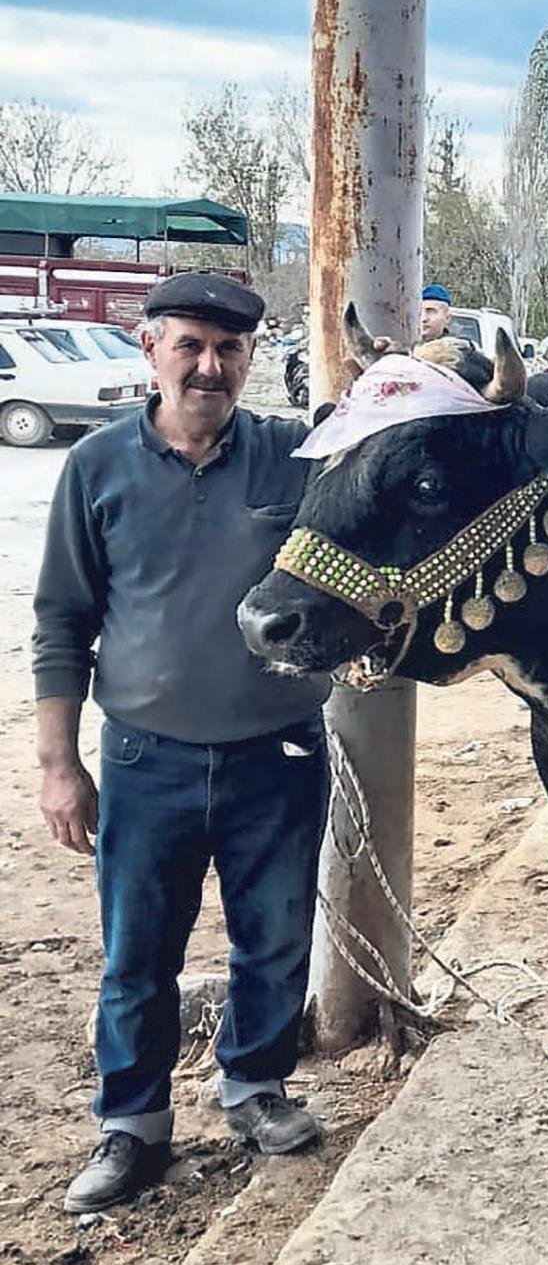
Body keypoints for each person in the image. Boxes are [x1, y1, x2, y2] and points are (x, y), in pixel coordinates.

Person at [33, 273, 334, 1215]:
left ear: (250, 357)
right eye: (190, 345)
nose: (209, 366)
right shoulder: (97, 466)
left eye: (228, 349)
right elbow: (61, 622)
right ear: (149, 348)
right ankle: (132, 1125)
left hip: (277, 754)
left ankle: (254, 1087)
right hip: (143, 760)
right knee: (137, 954)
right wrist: (58, 765)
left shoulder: (295, 457)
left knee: (275, 937)